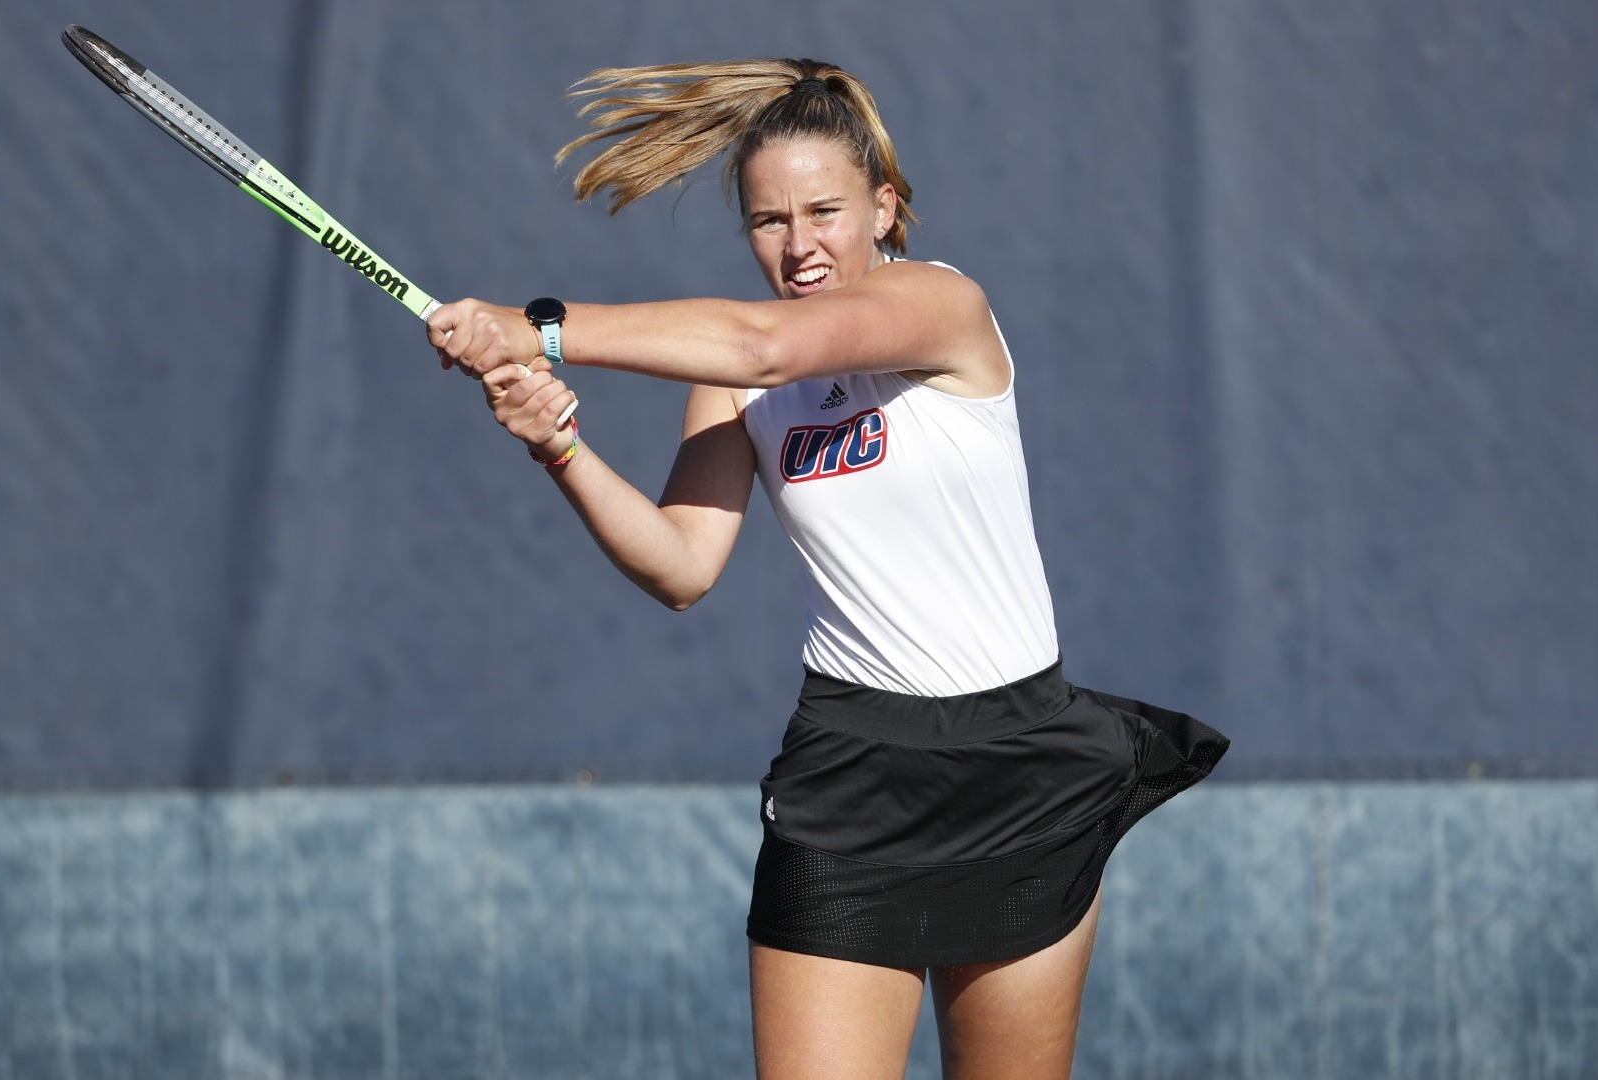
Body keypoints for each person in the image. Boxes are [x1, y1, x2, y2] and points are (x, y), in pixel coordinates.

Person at [426, 57, 1228, 1080]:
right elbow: (681, 565)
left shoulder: (939, 304)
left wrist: (536, 326)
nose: (800, 245)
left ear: (884, 208)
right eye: (770, 221)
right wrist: (560, 449)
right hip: (851, 772)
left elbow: (765, 346)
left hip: (1024, 767)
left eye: (825, 211)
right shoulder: (736, 388)